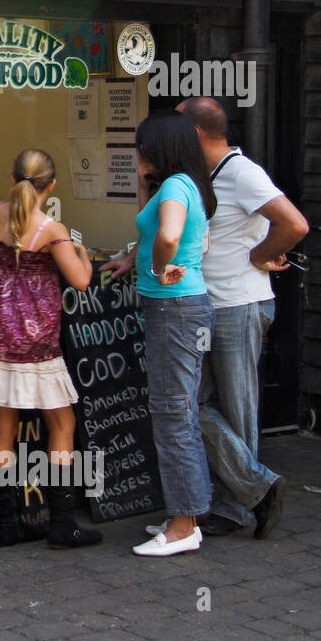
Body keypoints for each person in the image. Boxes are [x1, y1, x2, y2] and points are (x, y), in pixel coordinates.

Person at [0, 149, 100, 549]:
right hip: (35, 336)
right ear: (52, 186)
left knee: (1, 430)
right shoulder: (51, 229)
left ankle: (7, 525)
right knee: (62, 425)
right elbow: (81, 280)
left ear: (13, 180)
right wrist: (80, 251)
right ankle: (63, 524)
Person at [173, 96, 307, 537]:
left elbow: (294, 224)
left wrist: (259, 255)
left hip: (238, 305)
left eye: (176, 130)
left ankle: (236, 507)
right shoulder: (201, 176)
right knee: (193, 403)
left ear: (194, 134)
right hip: (204, 303)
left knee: (237, 407)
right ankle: (255, 490)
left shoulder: (242, 173)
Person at [107, 112, 217, 556]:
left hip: (174, 310)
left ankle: (184, 526)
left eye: (142, 148)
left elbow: (170, 235)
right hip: (183, 307)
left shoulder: (174, 187)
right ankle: (185, 512)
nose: (137, 154)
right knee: (181, 413)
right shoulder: (184, 184)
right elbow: (157, 229)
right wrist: (135, 259)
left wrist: (155, 265)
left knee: (173, 416)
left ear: (159, 149)